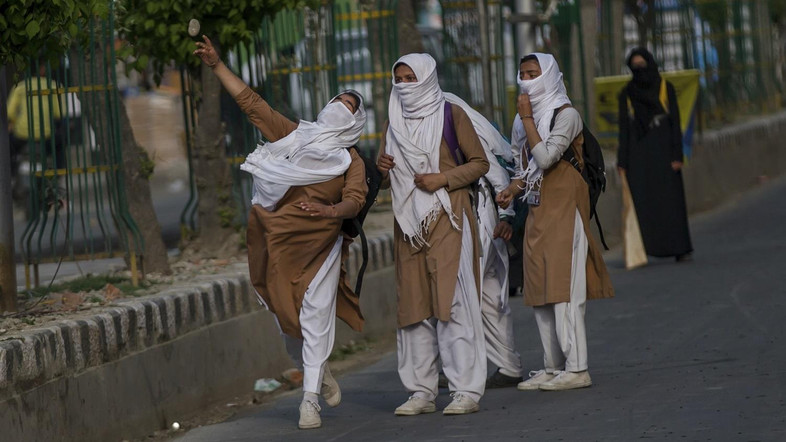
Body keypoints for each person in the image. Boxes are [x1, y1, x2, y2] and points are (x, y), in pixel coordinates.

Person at [194, 36, 368, 430]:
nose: (341, 108)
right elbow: (253, 105)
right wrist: (217, 64)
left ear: (357, 121)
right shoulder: (292, 136)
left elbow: (354, 201)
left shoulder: (350, 160)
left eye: (350, 106)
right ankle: (316, 372)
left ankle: (309, 401)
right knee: (287, 321)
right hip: (277, 241)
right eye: (338, 100)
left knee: (316, 315)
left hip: (320, 247)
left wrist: (329, 209)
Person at [376, 53, 489, 415]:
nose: (405, 86)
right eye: (400, 79)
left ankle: (465, 390)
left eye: (412, 78)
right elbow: (385, 175)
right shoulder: (393, 122)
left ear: (426, 77)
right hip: (408, 224)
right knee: (413, 306)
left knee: (452, 303)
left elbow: (479, 163)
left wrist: (443, 178)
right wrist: (380, 169)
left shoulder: (450, 114)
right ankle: (420, 391)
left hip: (448, 217)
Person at [497, 53, 614, 391]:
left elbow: (547, 157)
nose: (526, 80)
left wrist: (529, 119)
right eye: (521, 74)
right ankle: (552, 365)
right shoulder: (522, 122)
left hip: (564, 205)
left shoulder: (567, 115)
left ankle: (577, 368)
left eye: (533, 73)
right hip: (537, 207)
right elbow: (525, 168)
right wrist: (511, 189)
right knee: (540, 289)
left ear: (548, 75)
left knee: (564, 288)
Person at [442, 93, 524, 388]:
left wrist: (506, 215)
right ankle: (508, 365)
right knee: (490, 293)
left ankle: (463, 369)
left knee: (463, 293)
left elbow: (492, 169)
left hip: (479, 215)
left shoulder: (450, 119)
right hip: (481, 214)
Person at [618, 47, 693, 261]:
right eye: (635, 66)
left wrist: (677, 155)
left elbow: (675, 122)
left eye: (643, 65)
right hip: (638, 155)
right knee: (644, 203)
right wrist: (622, 161)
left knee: (671, 202)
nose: (639, 70)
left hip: (664, 151)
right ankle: (646, 250)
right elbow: (623, 129)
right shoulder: (627, 93)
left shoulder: (664, 88)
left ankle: (679, 248)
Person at [6, 64, 64, 203]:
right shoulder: (53, 85)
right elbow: (58, 113)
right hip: (46, 135)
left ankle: (11, 177)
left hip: (23, 134)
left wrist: (13, 122)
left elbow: (10, 112)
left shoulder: (20, 87)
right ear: (43, 70)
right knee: (59, 149)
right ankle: (58, 177)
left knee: (9, 151)